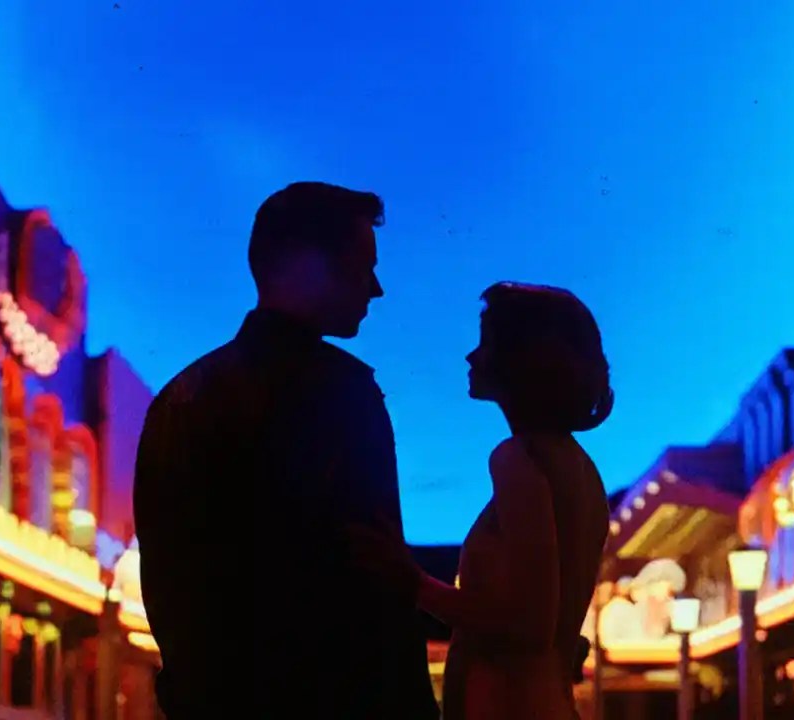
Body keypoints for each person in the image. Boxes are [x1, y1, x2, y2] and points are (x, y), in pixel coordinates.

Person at [133, 182, 438, 719]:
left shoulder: (178, 400)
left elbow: (168, 593)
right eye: (361, 265)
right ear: (309, 265)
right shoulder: (343, 393)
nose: (376, 288)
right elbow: (379, 582)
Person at [352, 282, 614, 720]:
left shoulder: (517, 458)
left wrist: (412, 583)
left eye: (487, 343)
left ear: (525, 359)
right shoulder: (582, 471)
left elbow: (529, 624)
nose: (471, 357)